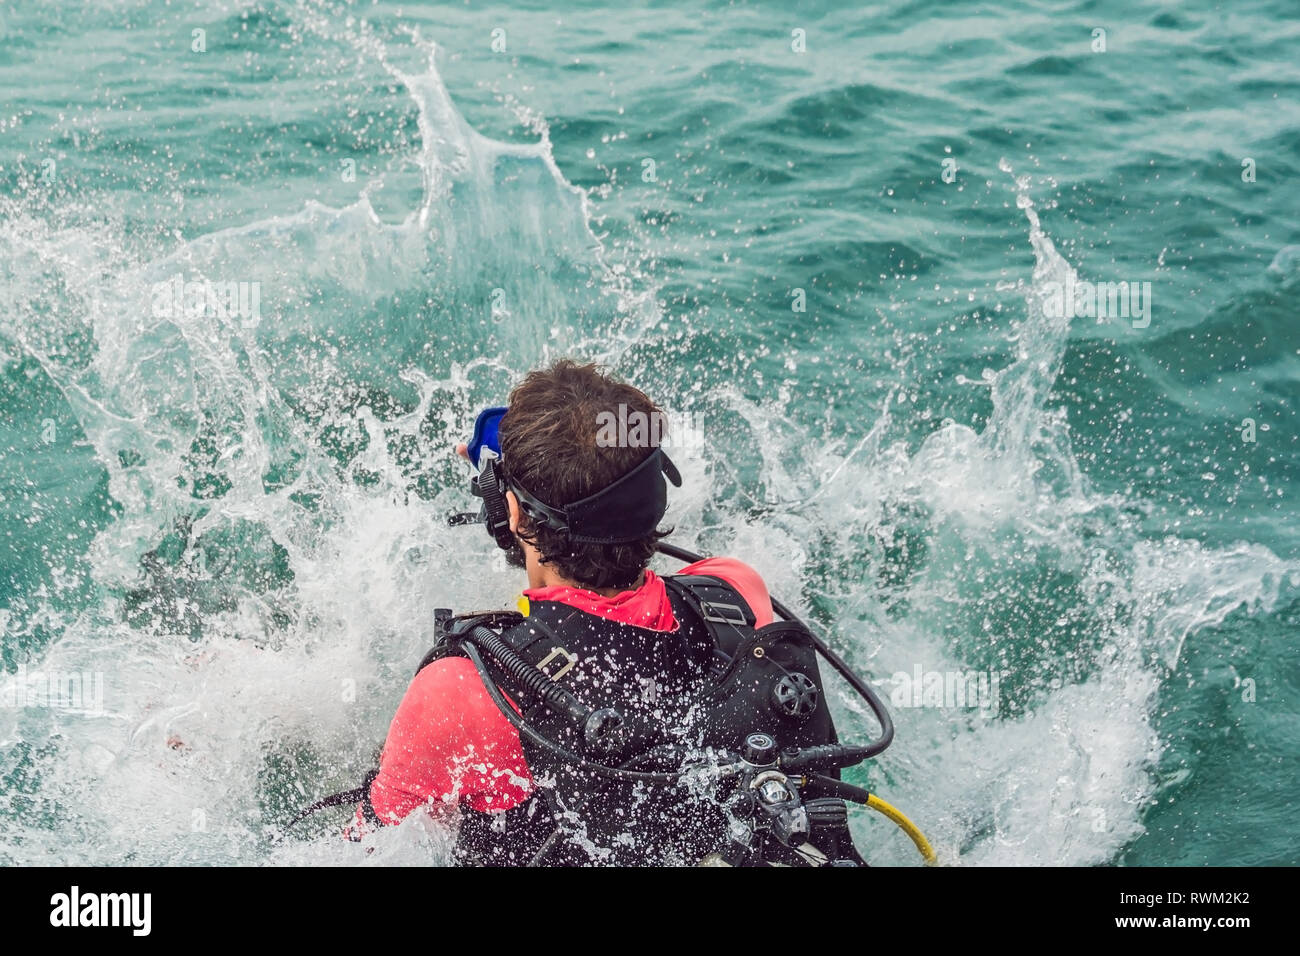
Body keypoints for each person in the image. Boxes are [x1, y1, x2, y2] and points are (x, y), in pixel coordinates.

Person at [348, 360, 821, 865]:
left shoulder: (463, 693)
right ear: (656, 498)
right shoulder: (736, 594)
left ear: (511, 512)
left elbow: (368, 848)